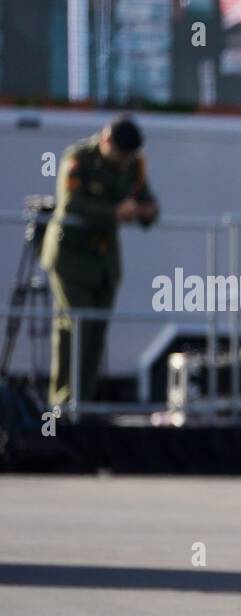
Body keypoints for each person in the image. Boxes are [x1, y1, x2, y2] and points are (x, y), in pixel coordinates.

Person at [41, 114, 158, 411]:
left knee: (96, 333)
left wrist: (145, 211)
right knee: (74, 328)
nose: (124, 161)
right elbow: (72, 204)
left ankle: (85, 404)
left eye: (129, 156)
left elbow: (149, 204)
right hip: (71, 257)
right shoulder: (79, 159)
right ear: (106, 141)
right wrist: (115, 212)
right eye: (121, 155)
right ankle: (63, 405)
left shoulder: (134, 165)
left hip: (104, 262)